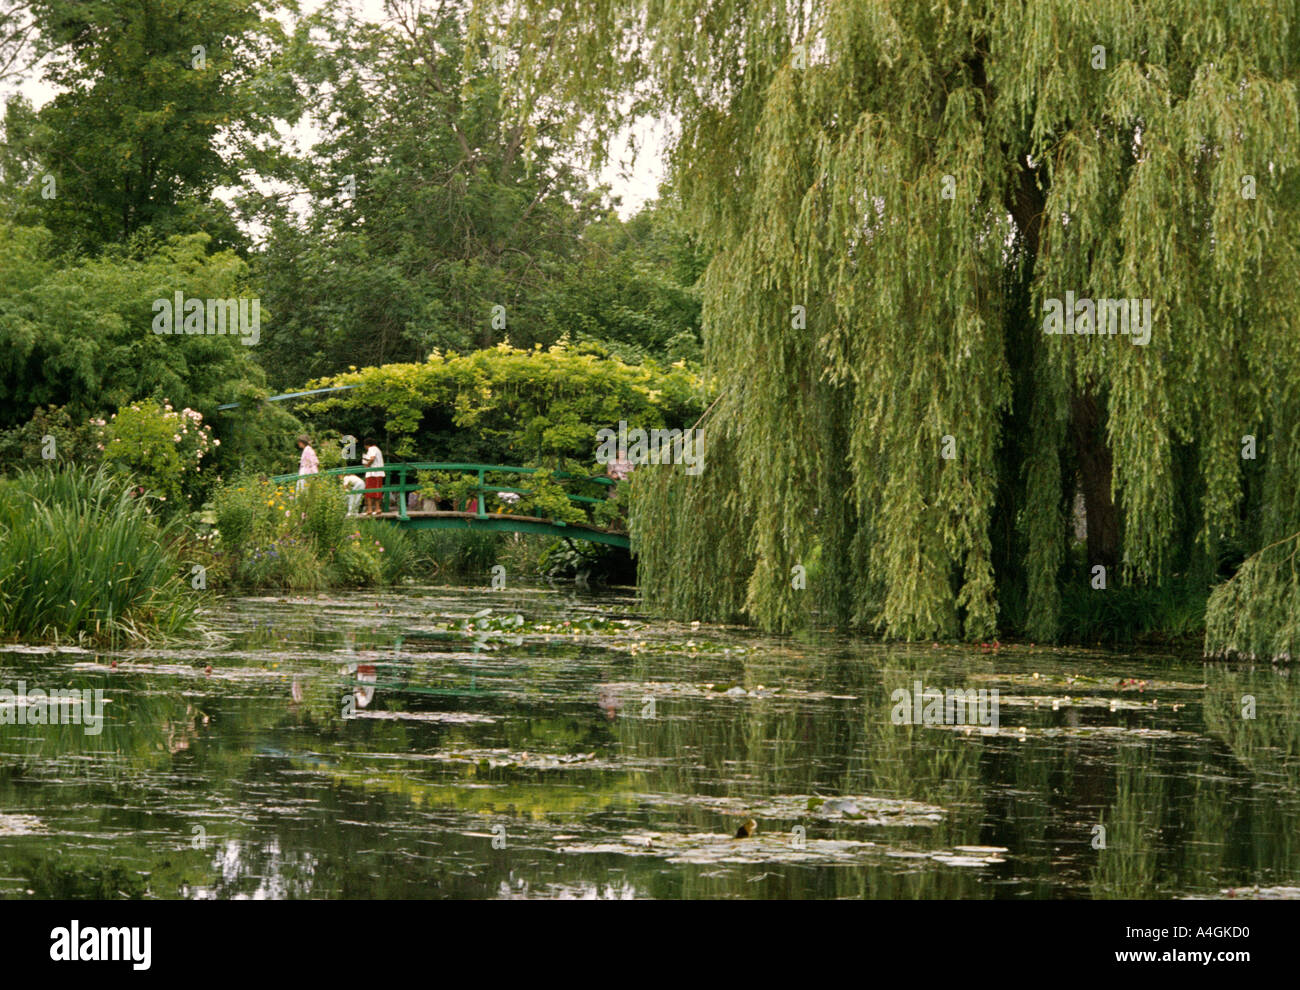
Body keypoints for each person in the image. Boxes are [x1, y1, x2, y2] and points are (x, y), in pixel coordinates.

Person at [361, 437, 385, 516]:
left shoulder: (372, 449)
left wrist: (367, 465)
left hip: (374, 473)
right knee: (376, 491)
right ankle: (377, 509)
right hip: (376, 473)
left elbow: (372, 458)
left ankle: (370, 510)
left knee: (369, 492)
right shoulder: (377, 449)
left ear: (366, 445)